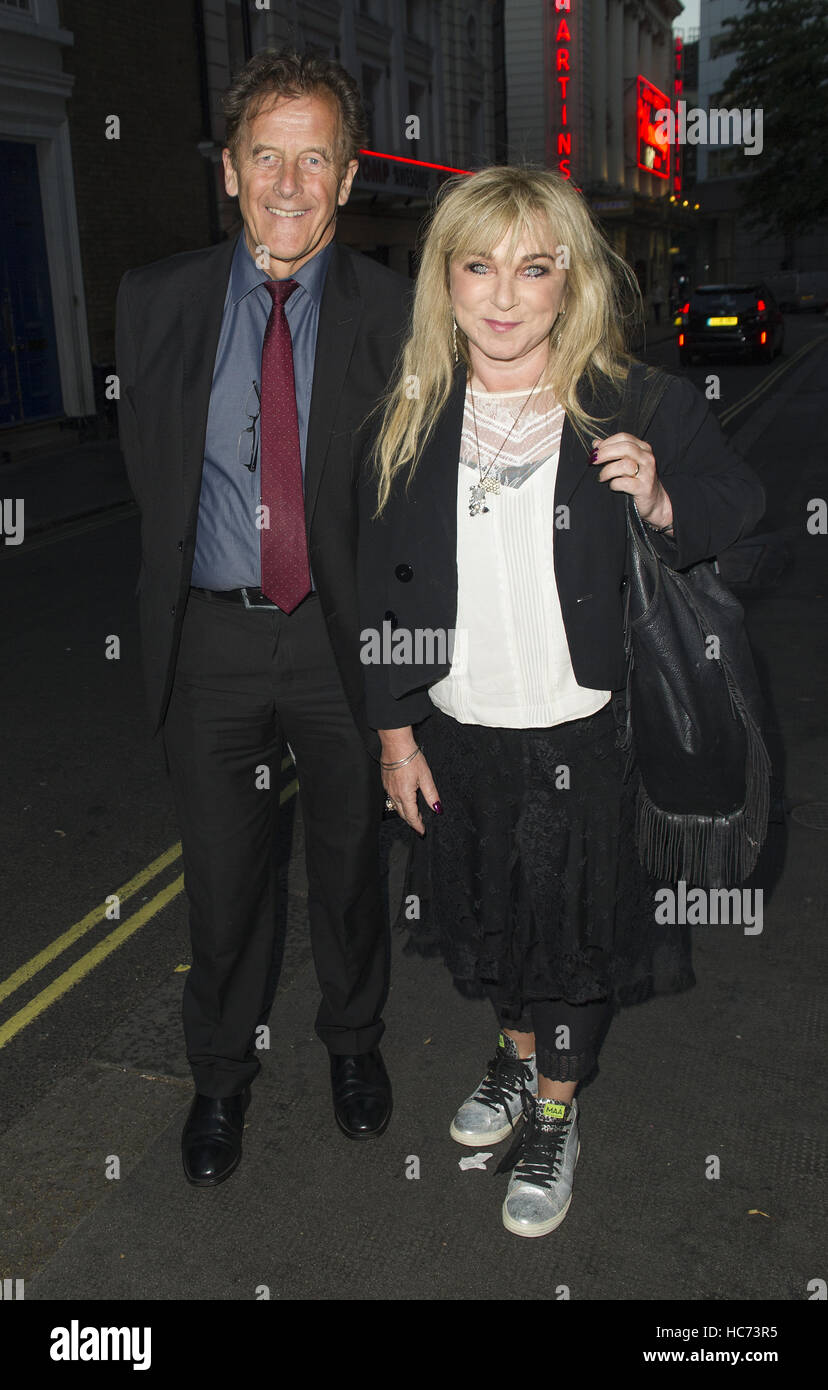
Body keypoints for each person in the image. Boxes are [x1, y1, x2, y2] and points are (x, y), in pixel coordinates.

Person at [358, 166, 764, 1238]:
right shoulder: (415, 412)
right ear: (444, 281)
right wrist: (396, 731)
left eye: (533, 268)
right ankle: (515, 1052)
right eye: (478, 266)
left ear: (570, 280)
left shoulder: (633, 397)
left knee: (576, 935)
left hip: (588, 728)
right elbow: (383, 579)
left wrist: (667, 497)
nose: (503, 294)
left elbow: (740, 503)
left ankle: (552, 1110)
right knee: (492, 922)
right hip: (461, 728)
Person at [116, 49, 411, 1186]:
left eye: (315, 159)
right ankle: (220, 1080)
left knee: (348, 867)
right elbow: (152, 477)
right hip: (217, 640)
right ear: (231, 171)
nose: (290, 182)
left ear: (345, 177)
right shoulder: (156, 301)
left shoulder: (396, 310)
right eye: (266, 157)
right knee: (225, 881)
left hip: (346, 643)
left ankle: (352, 1045)